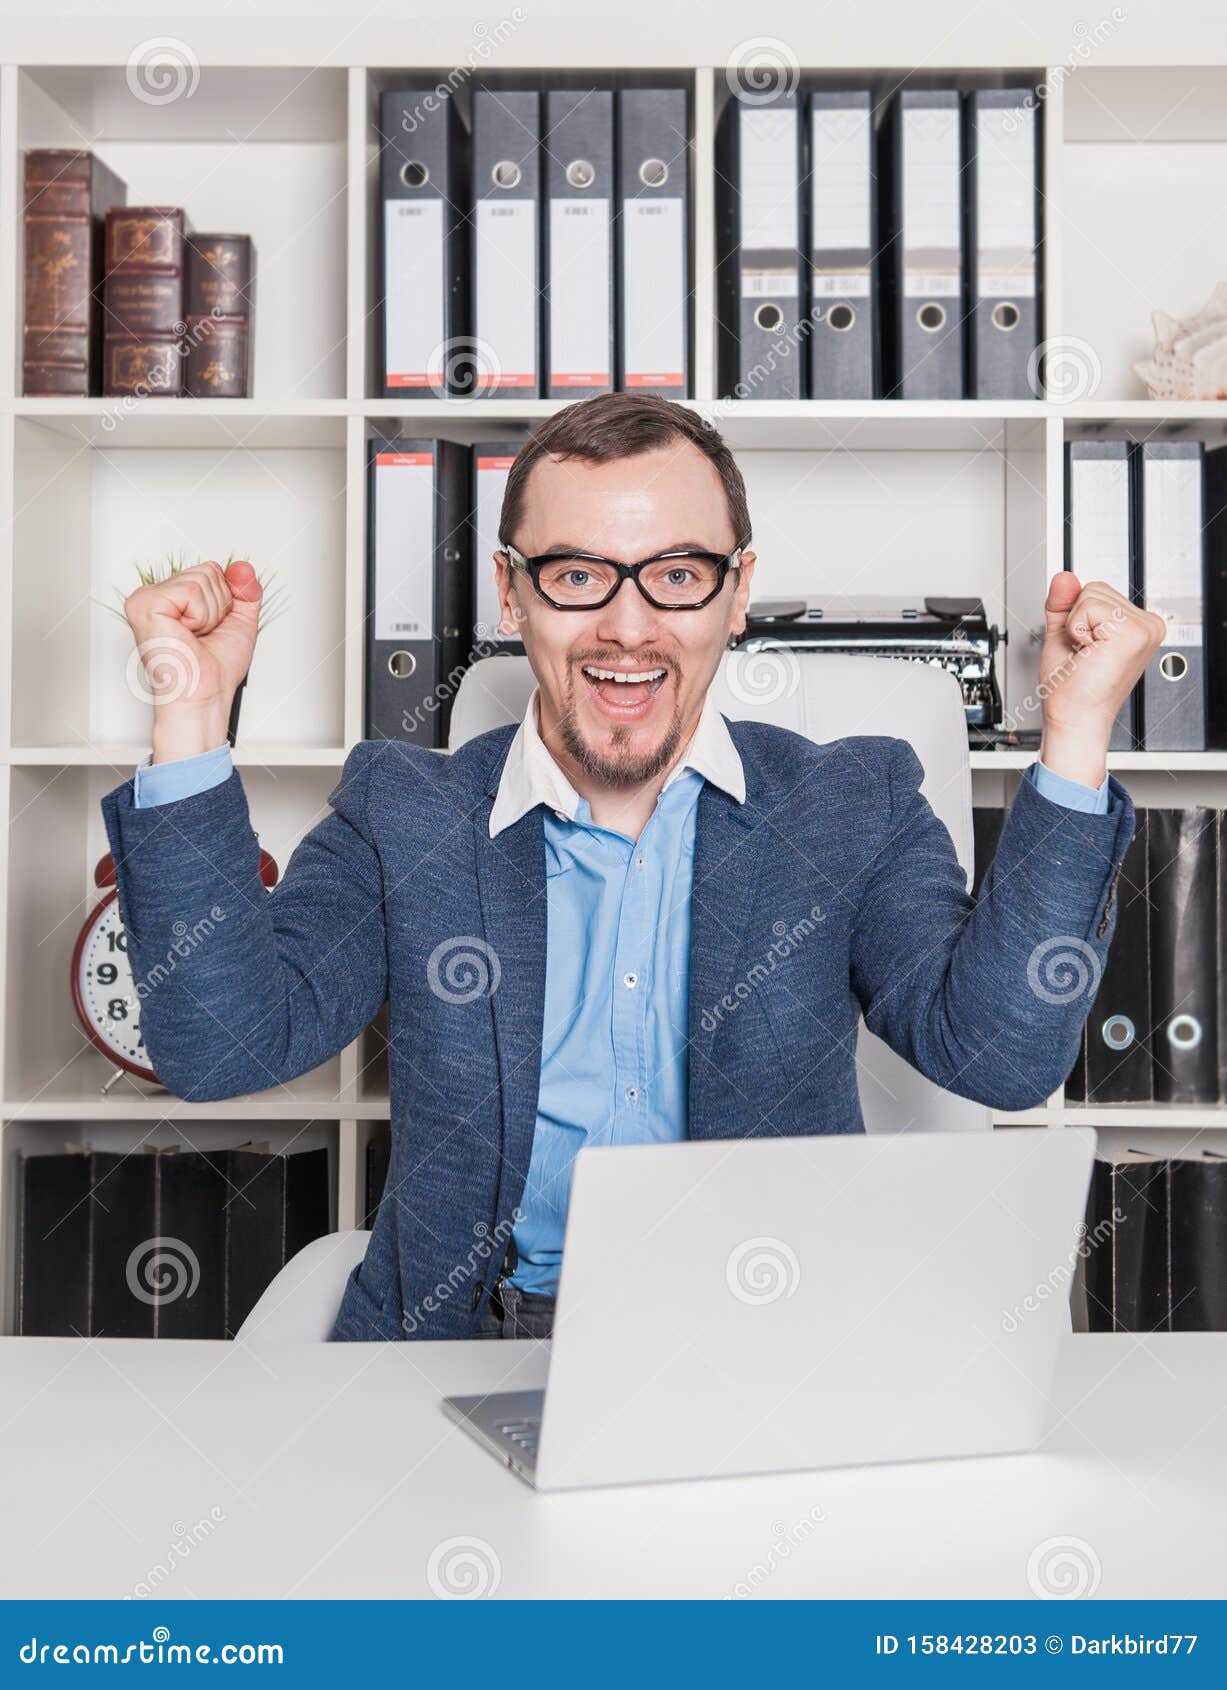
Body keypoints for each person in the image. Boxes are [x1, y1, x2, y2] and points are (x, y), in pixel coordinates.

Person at [101, 393, 1155, 1343]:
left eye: (680, 576)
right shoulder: (406, 811)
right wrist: (191, 709)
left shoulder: (849, 805)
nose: (629, 626)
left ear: (738, 594)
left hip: (766, 1343)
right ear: (511, 597)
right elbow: (222, 1045)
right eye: (574, 575)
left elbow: (1002, 1056)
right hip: (468, 1341)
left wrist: (1074, 731)